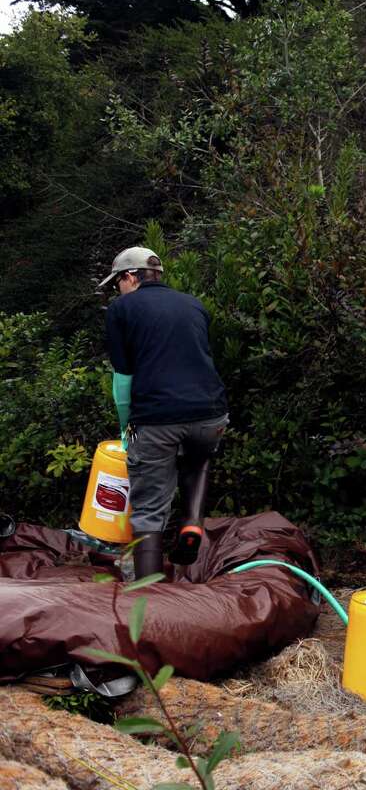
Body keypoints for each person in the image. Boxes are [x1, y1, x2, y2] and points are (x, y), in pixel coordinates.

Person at [99, 247, 229, 580]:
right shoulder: (193, 304)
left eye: (118, 282)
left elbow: (123, 384)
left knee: (148, 507)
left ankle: (148, 592)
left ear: (129, 277)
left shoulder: (121, 309)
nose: (118, 289)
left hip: (153, 420)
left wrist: (127, 434)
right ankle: (192, 524)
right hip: (212, 417)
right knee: (198, 459)